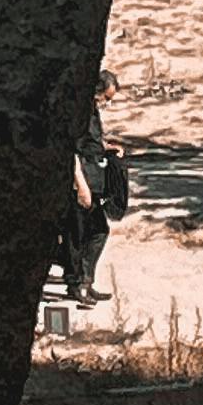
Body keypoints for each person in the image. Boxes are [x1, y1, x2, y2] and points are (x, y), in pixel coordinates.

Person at [62, 80, 130, 304]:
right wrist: (80, 184)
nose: (107, 103)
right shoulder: (77, 112)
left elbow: (90, 140)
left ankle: (86, 281)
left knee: (98, 231)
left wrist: (106, 147)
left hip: (93, 179)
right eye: (107, 98)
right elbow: (71, 150)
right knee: (77, 235)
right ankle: (75, 284)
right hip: (80, 181)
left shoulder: (91, 112)